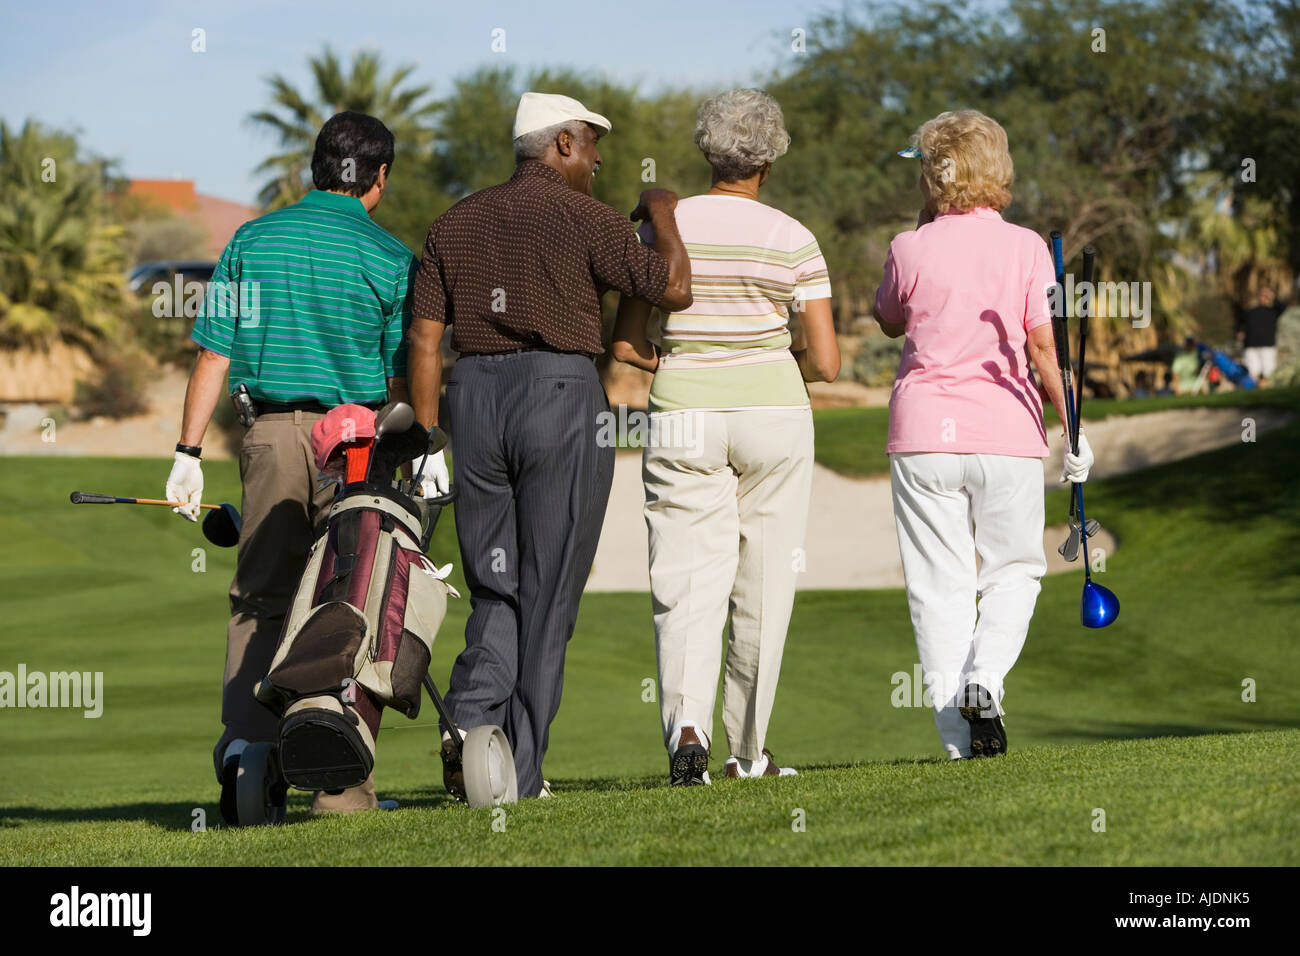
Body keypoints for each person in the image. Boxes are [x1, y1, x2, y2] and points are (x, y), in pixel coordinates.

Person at [407, 92, 693, 799]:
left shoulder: (454, 221)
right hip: (559, 395)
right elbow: (675, 288)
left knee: (494, 580)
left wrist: (424, 439)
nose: (598, 165)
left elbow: (423, 340)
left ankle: (472, 721)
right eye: (592, 148)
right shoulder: (591, 219)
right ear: (562, 144)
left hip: (470, 399)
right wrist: (660, 208)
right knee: (550, 589)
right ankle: (521, 774)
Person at [167, 111, 445, 817]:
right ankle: (342, 785)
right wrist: (421, 449)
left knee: (260, 597)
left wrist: (187, 450)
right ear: (378, 177)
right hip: (354, 443)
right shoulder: (389, 258)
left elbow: (214, 352)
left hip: (269, 437)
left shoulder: (251, 240)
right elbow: (396, 385)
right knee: (351, 593)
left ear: (315, 167)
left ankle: (246, 759)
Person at [611, 89, 840, 785]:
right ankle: (748, 752)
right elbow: (826, 363)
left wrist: (680, 359)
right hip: (773, 414)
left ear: (706, 152)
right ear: (768, 160)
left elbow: (625, 344)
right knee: (765, 586)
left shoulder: (662, 231)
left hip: (682, 415)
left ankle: (687, 730)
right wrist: (766, 358)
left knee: (685, 581)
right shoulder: (794, 237)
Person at [872, 109, 1094, 760]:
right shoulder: (1025, 246)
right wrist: (1074, 428)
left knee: (937, 588)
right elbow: (1043, 349)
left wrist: (923, 230)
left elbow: (888, 318)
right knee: (1014, 572)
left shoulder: (907, 247)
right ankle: (984, 681)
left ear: (934, 177)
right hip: (1006, 431)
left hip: (922, 436)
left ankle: (958, 745)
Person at [1236, 287, 1284, 386]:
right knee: (1253, 370)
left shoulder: (1273, 311)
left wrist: (1272, 296)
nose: (1263, 298)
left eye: (1265, 296)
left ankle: (1264, 387)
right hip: (1250, 345)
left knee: (1268, 370)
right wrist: (1239, 331)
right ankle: (1255, 387)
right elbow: (1239, 323)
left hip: (1267, 344)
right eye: (1262, 296)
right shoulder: (1250, 312)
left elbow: (1283, 307)